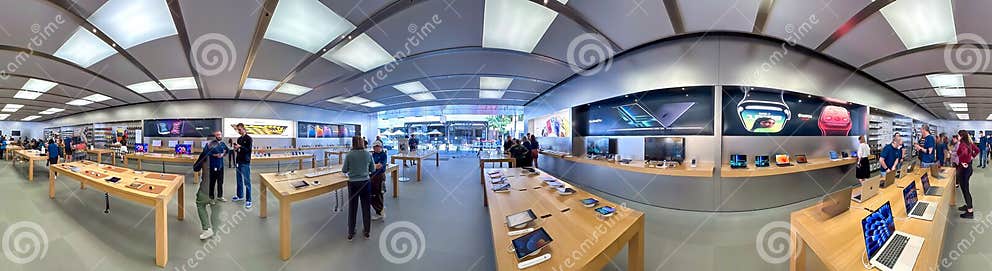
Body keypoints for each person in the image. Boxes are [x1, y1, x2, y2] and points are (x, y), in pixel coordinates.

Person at [342, 136, 374, 240]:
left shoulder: (349, 155)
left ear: (353, 143)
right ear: (362, 143)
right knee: (366, 208)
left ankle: (351, 232)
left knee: (352, 208)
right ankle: (367, 231)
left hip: (353, 184)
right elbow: (372, 169)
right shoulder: (367, 154)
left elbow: (344, 170)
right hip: (365, 183)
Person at [192, 142, 219, 239]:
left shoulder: (205, 155)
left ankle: (207, 229)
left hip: (206, 189)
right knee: (214, 207)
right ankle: (216, 227)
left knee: (200, 203)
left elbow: (195, 168)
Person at [956, 130, 980, 219]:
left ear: (961, 136)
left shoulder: (962, 144)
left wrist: (963, 161)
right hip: (968, 168)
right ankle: (968, 205)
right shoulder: (969, 143)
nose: (957, 137)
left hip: (964, 169)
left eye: (958, 135)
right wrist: (971, 158)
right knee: (965, 189)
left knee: (965, 190)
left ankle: (970, 211)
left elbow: (964, 153)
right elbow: (977, 150)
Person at [232, 123, 254, 209]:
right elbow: (240, 150)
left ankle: (249, 200)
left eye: (240, 129)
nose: (239, 131)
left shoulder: (249, 138)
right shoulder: (239, 139)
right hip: (239, 161)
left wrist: (240, 146)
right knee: (239, 180)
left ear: (244, 129)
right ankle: (239, 195)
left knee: (247, 181)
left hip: (245, 162)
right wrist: (236, 149)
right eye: (238, 130)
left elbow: (249, 150)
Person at [204, 131, 229, 203]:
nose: (219, 136)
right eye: (217, 135)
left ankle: (220, 196)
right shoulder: (210, 144)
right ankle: (211, 198)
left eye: (220, 134)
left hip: (221, 166)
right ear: (215, 136)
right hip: (213, 166)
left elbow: (227, 150)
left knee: (220, 182)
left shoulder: (222, 144)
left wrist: (223, 154)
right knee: (212, 182)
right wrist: (214, 155)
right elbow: (206, 152)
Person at [370, 142, 388, 220]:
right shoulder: (373, 154)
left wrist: (373, 166)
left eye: (377, 147)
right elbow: (372, 165)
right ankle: (380, 208)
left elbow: (379, 166)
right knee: (374, 193)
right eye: (374, 147)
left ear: (381, 147)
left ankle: (380, 212)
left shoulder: (383, 155)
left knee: (378, 193)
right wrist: (374, 166)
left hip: (379, 176)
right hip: (372, 176)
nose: (376, 148)